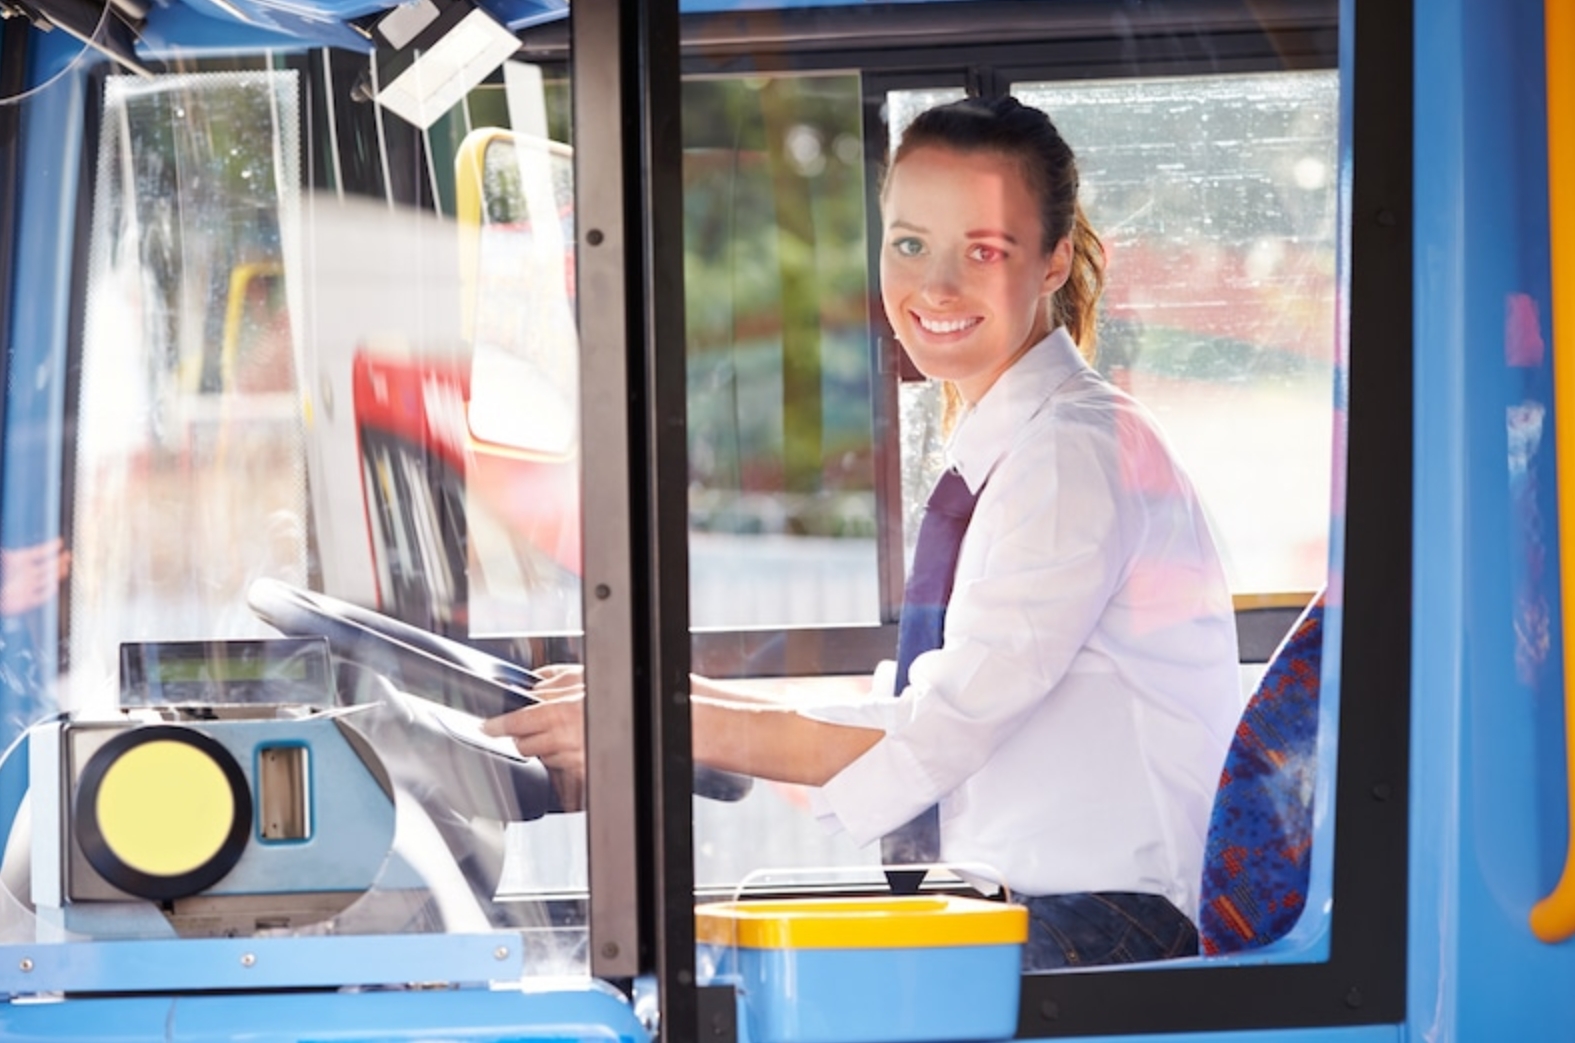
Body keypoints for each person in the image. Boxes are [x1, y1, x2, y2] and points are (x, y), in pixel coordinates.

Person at [483, 95, 1242, 970]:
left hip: (1110, 928)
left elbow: (934, 728)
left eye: (983, 250)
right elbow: (917, 700)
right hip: (1022, 906)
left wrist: (647, 722)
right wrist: (654, 701)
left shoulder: (1071, 458)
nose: (936, 287)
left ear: (1051, 261)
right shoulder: (1015, 447)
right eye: (910, 244)